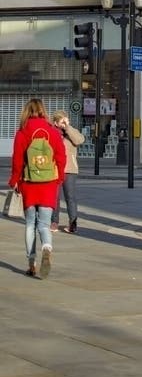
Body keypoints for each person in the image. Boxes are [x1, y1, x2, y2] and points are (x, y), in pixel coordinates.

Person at [8, 98, 66, 279]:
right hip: (48, 183)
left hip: (29, 183)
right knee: (44, 225)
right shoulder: (52, 131)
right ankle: (47, 248)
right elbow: (61, 157)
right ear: (43, 110)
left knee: (30, 224)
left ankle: (31, 264)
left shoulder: (22, 132)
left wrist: (14, 180)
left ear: (26, 111)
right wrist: (59, 178)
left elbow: (17, 160)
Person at [50, 109, 85, 234]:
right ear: (55, 122)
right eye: (62, 121)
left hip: (70, 169)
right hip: (54, 169)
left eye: (67, 120)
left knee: (70, 197)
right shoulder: (52, 132)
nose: (65, 123)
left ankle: (73, 223)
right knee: (54, 197)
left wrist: (68, 128)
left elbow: (80, 140)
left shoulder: (71, 132)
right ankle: (54, 222)